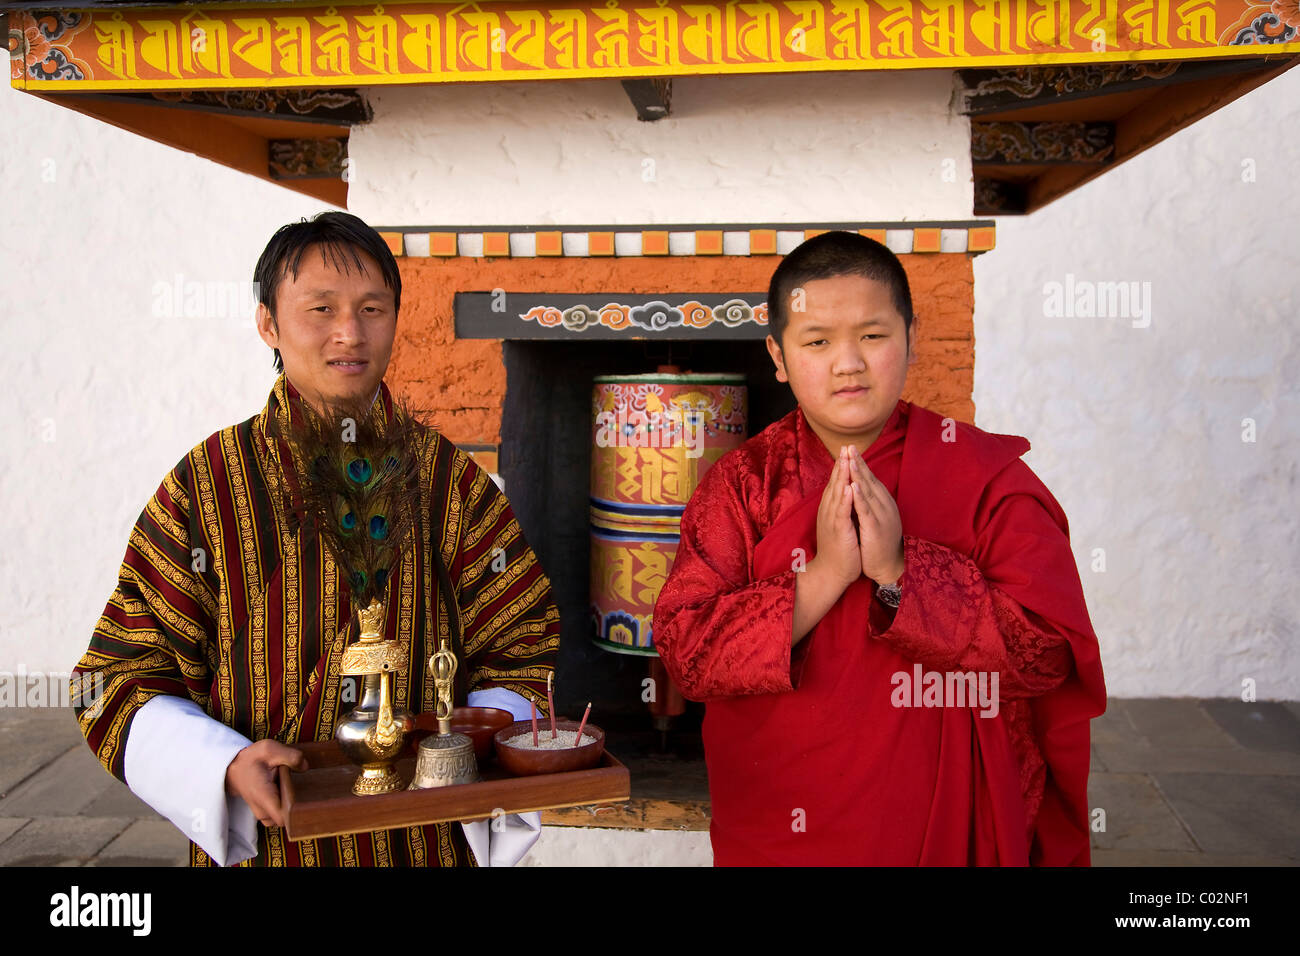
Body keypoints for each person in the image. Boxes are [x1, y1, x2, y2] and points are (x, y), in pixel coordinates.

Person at [70, 211, 560, 867]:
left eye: (372, 309)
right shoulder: (208, 486)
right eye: (320, 309)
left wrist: (462, 745)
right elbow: (114, 678)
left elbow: (520, 644)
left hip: (422, 840)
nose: (349, 334)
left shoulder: (450, 483)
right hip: (271, 842)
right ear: (268, 322)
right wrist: (223, 764)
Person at [651, 231, 1106, 866]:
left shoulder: (983, 477)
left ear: (911, 338)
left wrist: (901, 572)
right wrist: (826, 576)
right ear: (777, 355)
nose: (848, 363)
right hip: (782, 814)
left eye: (872, 335)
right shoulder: (742, 485)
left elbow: (1046, 656)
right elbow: (687, 655)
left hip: (938, 823)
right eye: (817, 341)